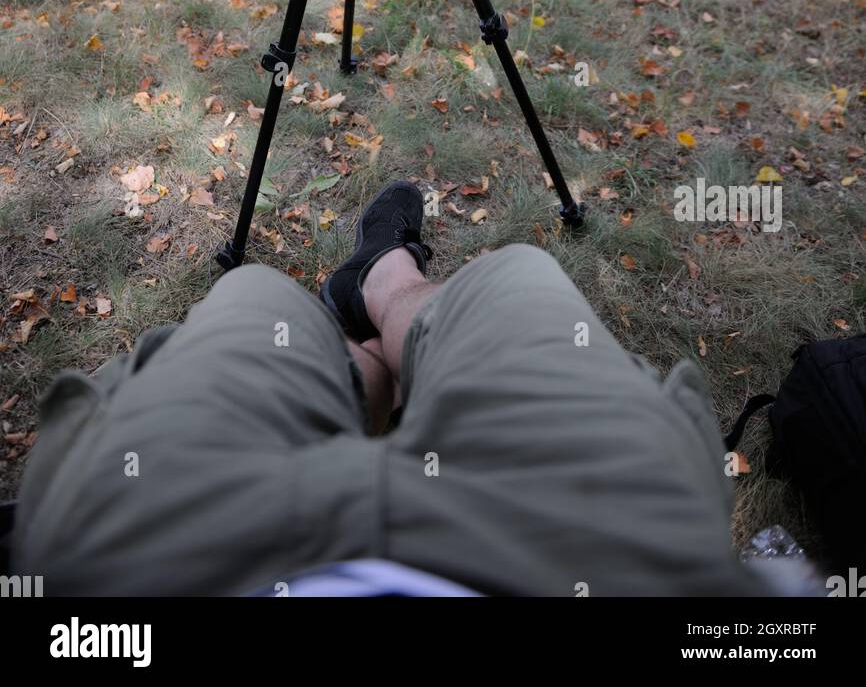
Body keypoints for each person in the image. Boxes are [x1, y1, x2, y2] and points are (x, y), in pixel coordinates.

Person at [12, 180, 773, 597]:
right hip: (610, 556)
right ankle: (384, 280)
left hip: (154, 559)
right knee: (515, 278)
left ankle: (358, 347)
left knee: (254, 298)